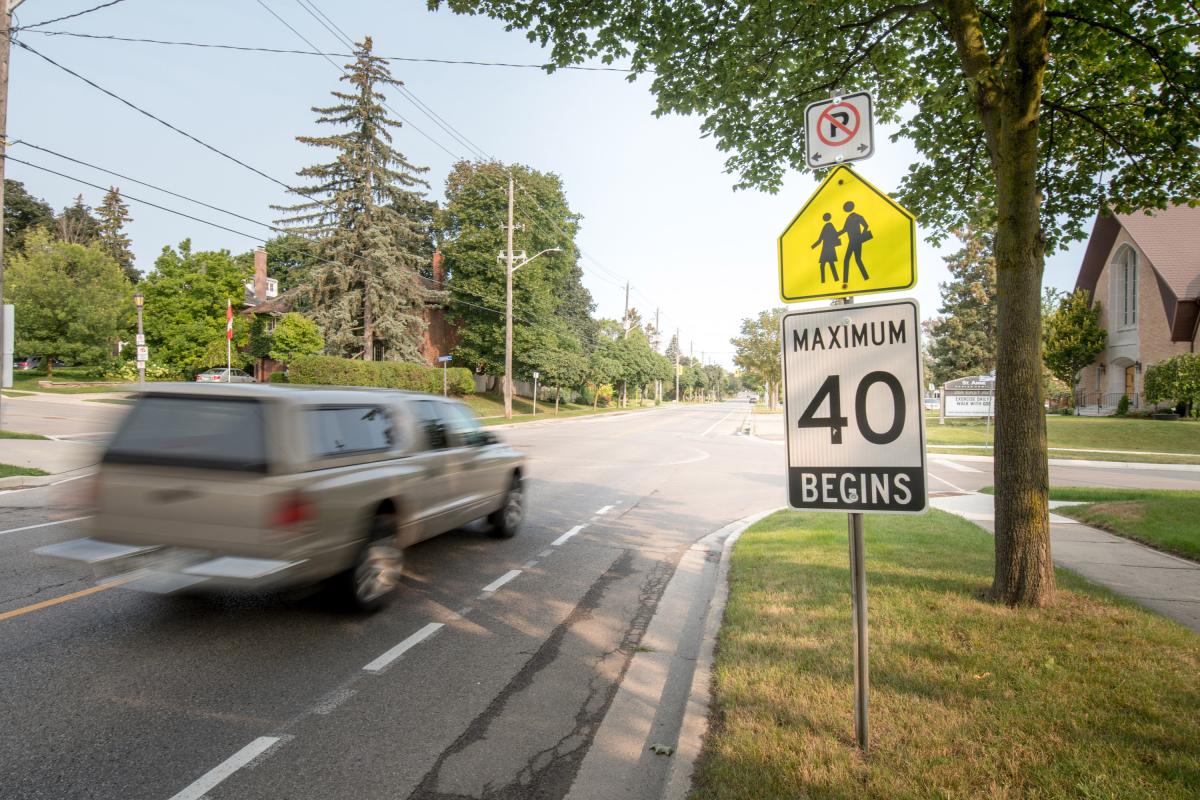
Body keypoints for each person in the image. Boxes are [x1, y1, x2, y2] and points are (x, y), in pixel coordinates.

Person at [838, 201, 871, 286]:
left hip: (855, 241)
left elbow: (866, 226)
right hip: (852, 241)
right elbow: (844, 229)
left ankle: (846, 280)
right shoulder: (848, 218)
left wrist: (861, 235)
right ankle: (865, 277)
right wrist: (835, 235)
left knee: (850, 260)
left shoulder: (858, 216)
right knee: (855, 260)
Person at [811, 212, 841, 283]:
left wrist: (813, 246)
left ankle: (827, 280)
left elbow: (820, 240)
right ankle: (833, 279)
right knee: (828, 264)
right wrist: (812, 246)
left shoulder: (828, 226)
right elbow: (821, 239)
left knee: (825, 265)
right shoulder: (827, 226)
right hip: (826, 248)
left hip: (828, 248)